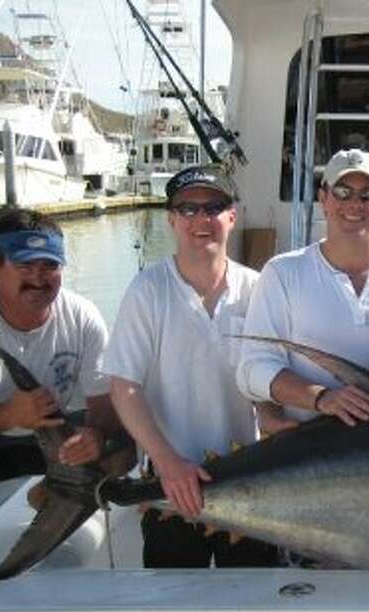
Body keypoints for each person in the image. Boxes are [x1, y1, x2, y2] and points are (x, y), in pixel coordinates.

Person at [0, 209, 128, 564]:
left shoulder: (83, 316)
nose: (38, 278)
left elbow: (103, 403)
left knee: (123, 449)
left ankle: (49, 492)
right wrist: (8, 414)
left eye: (49, 266)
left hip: (54, 433)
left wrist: (96, 433)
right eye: (25, 266)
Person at [104, 164, 279, 569]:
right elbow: (123, 385)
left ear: (232, 217)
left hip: (248, 481)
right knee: (174, 605)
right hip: (170, 482)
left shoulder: (259, 289)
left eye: (213, 207)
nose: (201, 219)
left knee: (252, 601)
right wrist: (167, 463)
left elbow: (269, 383)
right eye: (187, 209)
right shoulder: (148, 291)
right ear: (171, 219)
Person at [238, 148, 369, 430]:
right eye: (343, 192)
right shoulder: (282, 273)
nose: (355, 204)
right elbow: (252, 368)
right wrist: (321, 398)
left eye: (367, 195)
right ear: (323, 199)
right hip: (307, 455)